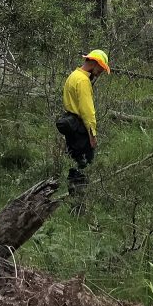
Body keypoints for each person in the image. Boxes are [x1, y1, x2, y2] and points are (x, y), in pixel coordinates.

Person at [56, 49, 110, 209]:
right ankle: (79, 207)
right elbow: (88, 112)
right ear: (93, 63)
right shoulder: (83, 81)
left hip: (72, 127)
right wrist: (92, 135)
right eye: (100, 69)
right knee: (83, 167)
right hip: (80, 129)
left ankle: (75, 203)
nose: (99, 73)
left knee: (74, 164)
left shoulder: (73, 76)